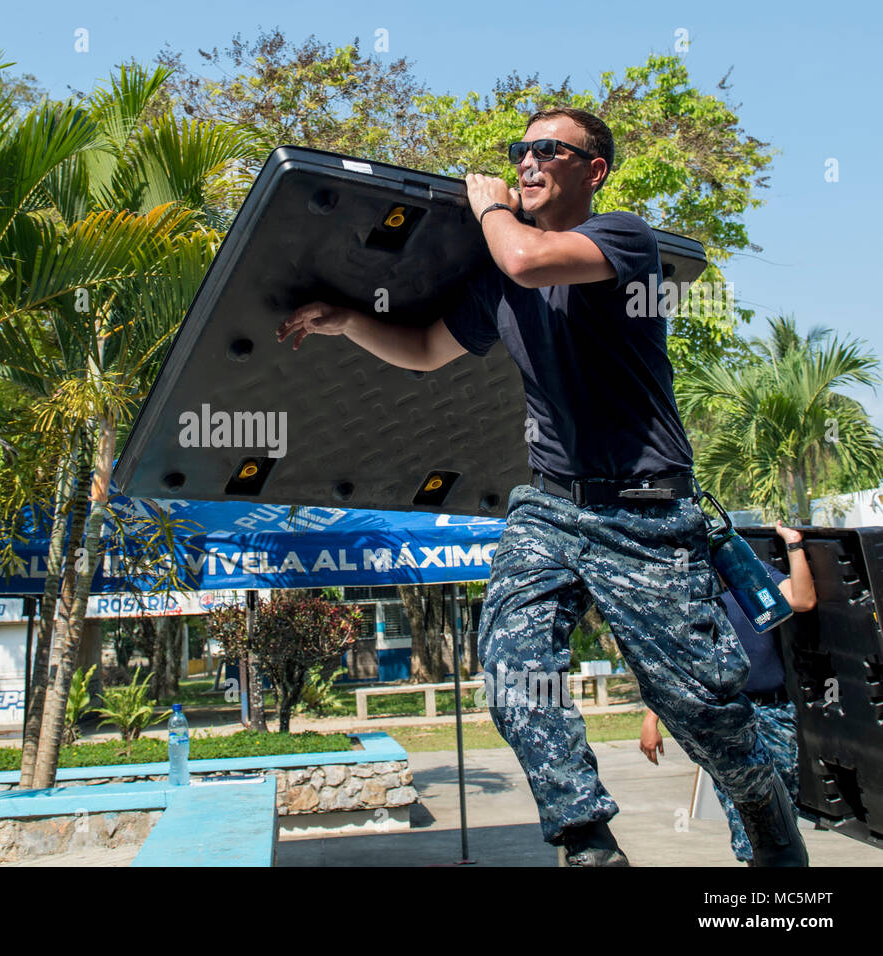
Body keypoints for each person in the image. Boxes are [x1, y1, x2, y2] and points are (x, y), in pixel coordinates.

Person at [277, 106, 807, 867]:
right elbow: (427, 348)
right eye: (518, 151)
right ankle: (584, 837)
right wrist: (350, 320)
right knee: (513, 662)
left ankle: (765, 810)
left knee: (700, 707)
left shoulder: (624, 239)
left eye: (546, 151)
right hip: (552, 506)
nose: (525, 162)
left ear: (592, 171)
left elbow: (526, 258)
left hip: (647, 513)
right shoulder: (501, 279)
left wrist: (488, 204)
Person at [641, 519, 815, 862]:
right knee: (747, 816)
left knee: (783, 817)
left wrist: (794, 545)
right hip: (727, 717)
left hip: (773, 712)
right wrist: (652, 720)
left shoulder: (750, 578)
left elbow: (803, 599)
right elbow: (675, 663)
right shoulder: (690, 597)